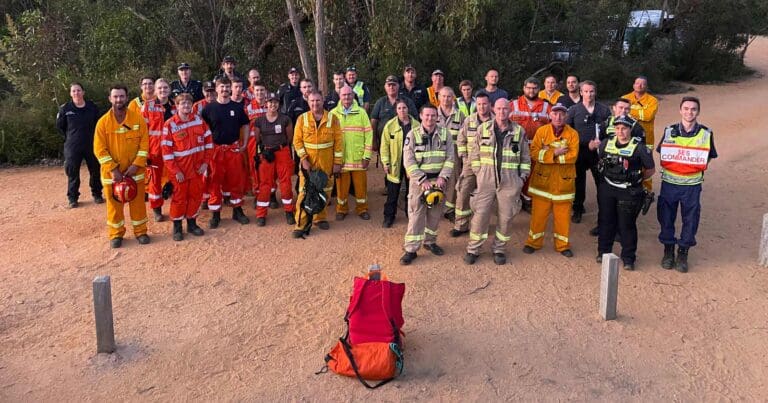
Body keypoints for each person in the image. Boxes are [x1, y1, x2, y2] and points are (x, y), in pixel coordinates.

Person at [464, 99, 530, 265]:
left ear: (510, 111)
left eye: (505, 109)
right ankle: (473, 249)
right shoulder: (483, 128)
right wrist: (479, 173)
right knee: (480, 215)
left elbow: (525, 157)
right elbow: (474, 154)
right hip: (486, 180)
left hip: (510, 181)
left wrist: (521, 178)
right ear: (494, 109)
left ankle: (499, 249)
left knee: (506, 217)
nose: (502, 112)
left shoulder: (518, 131)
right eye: (499, 108)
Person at [656, 96, 717, 273]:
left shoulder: (706, 133)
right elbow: (662, 152)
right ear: (680, 110)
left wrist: (691, 168)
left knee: (690, 219)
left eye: (693, 109)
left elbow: (709, 155)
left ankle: (683, 252)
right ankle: (668, 250)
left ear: (698, 111)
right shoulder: (669, 130)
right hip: (669, 183)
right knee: (666, 217)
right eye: (686, 108)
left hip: (692, 186)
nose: (689, 112)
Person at [93, 84, 150, 248]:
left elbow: (144, 145)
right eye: (115, 96)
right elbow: (99, 149)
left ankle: (141, 232)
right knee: (114, 206)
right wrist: (113, 169)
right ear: (110, 99)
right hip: (112, 175)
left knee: (138, 204)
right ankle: (116, 234)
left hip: (135, 172)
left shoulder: (137, 119)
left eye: (122, 96)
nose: (119, 99)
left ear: (127, 97)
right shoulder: (102, 123)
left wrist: (136, 165)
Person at [595, 116, 655, 270]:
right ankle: (603, 251)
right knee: (606, 221)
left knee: (626, 225)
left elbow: (650, 170)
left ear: (630, 130)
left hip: (628, 190)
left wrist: (636, 179)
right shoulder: (606, 143)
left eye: (624, 128)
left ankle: (628, 258)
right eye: (618, 128)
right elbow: (600, 160)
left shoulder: (639, 147)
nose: (620, 131)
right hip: (608, 188)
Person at [400, 104, 455, 265]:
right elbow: (408, 161)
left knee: (435, 215)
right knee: (416, 215)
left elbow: (450, 158)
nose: (430, 118)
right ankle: (411, 249)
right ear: (420, 116)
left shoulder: (445, 134)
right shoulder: (412, 135)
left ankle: (430, 242)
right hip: (419, 183)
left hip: (439, 182)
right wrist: (422, 180)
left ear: (437, 117)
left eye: (433, 115)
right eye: (427, 115)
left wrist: (443, 178)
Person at [523, 103, 579, 257]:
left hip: (563, 184)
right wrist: (556, 153)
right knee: (538, 216)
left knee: (563, 218)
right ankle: (533, 242)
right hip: (543, 183)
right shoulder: (542, 131)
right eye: (555, 114)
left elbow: (572, 157)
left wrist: (548, 154)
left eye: (562, 114)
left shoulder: (573, 134)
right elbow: (534, 153)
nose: (559, 117)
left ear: (566, 116)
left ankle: (562, 245)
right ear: (550, 115)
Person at [161, 93, 213, 241]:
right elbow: (167, 152)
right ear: (176, 106)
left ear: (192, 105)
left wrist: (205, 163)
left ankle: (192, 223)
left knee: (195, 197)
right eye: (182, 103)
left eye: (188, 103)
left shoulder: (199, 121)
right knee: (179, 198)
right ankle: (177, 227)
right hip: (180, 172)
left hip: (197, 169)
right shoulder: (170, 125)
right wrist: (175, 171)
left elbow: (209, 143)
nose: (186, 106)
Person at [201, 77, 251, 228]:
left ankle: (237, 210)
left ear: (230, 89)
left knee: (236, 180)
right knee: (215, 182)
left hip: (233, 150)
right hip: (216, 151)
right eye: (221, 87)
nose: (224, 90)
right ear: (216, 89)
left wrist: (245, 143)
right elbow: (201, 129)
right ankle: (215, 213)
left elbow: (246, 124)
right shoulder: (209, 108)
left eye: (227, 87)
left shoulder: (237, 107)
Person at [292, 91, 343, 237]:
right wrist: (303, 158)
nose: (315, 103)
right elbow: (297, 141)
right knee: (304, 192)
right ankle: (300, 225)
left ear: (323, 101)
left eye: (318, 100)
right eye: (312, 101)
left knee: (324, 191)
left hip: (327, 163)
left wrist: (337, 163)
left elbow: (339, 142)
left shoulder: (333, 119)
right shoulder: (302, 119)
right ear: (308, 102)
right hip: (309, 163)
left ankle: (320, 218)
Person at [566, 80, 611, 224]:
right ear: (581, 92)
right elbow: (568, 133)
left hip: (598, 153)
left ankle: (604, 212)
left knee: (601, 182)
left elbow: (610, 132)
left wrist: (600, 143)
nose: (589, 94)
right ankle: (578, 209)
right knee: (579, 181)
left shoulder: (604, 110)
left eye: (591, 91)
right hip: (580, 151)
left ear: (595, 92)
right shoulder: (573, 110)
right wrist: (585, 144)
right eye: (586, 91)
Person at [56, 82, 104, 208]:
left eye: (78, 90)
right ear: (70, 94)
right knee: (72, 172)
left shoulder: (92, 107)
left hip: (92, 144)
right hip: (73, 146)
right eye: (73, 91)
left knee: (95, 170)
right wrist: (71, 137)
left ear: (83, 92)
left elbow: (98, 124)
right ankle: (72, 198)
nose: (76, 93)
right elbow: (60, 127)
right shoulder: (65, 108)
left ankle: (97, 194)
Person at [451, 92, 493, 237]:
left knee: (484, 197)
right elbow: (461, 140)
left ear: (490, 105)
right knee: (462, 191)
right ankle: (461, 225)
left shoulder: (496, 122)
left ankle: (481, 226)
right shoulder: (469, 120)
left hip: (488, 165)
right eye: (479, 104)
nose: (482, 107)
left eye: (484, 104)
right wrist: (463, 157)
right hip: (469, 163)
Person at [252, 93, 295, 226]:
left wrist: (279, 147)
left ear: (279, 104)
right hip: (267, 153)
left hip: (282, 152)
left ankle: (289, 211)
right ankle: (261, 213)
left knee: (285, 182)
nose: (273, 105)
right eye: (270, 102)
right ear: (266, 103)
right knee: (265, 183)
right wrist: (264, 151)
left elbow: (289, 137)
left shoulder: (285, 119)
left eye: (276, 102)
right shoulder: (259, 120)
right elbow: (258, 139)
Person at [331, 86, 374, 220]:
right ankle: (341, 209)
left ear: (353, 95)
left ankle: (362, 209)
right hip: (341, 160)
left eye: (349, 95)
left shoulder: (361, 113)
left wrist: (367, 156)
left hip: (358, 158)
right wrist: (334, 160)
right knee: (341, 188)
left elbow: (369, 135)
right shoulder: (333, 114)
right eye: (344, 95)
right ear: (340, 96)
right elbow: (330, 138)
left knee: (361, 187)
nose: (347, 97)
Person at [510, 77, 551, 212]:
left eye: (534, 88)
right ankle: (514, 198)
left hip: (536, 147)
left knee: (532, 175)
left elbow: (552, 126)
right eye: (528, 88)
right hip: (515, 147)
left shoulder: (546, 106)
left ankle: (528, 198)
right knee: (513, 173)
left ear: (539, 89)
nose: (531, 91)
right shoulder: (513, 104)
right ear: (524, 88)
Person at [380, 99, 419, 228]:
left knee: (411, 192)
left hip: (412, 164)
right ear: (396, 110)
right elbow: (384, 146)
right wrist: (385, 162)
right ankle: (389, 217)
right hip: (394, 165)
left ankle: (411, 215)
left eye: (404, 108)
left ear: (408, 109)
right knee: (392, 193)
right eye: (399, 108)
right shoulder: (390, 125)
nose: (402, 111)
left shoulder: (417, 126)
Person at [623, 76, 659, 191]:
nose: (639, 85)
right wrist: (640, 112)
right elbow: (620, 114)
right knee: (626, 165)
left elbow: (648, 116)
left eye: (643, 84)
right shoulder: (625, 98)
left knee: (646, 167)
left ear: (646, 86)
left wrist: (629, 111)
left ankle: (647, 191)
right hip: (627, 139)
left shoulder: (652, 100)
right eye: (637, 83)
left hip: (646, 140)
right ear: (633, 85)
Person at [436, 86, 466, 221]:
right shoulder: (432, 113)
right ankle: (434, 205)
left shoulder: (460, 115)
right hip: (434, 154)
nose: (446, 99)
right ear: (439, 98)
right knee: (434, 179)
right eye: (443, 96)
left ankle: (449, 209)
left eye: (449, 96)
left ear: (453, 98)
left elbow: (465, 137)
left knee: (453, 181)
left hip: (453, 154)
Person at [370, 75, 418, 153]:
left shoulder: (407, 101)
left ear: (398, 86)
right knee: (386, 163)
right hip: (384, 143)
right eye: (389, 85)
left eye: (394, 85)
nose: (391, 87)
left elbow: (415, 120)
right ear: (385, 87)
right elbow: (373, 122)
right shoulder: (380, 102)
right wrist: (373, 141)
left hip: (405, 143)